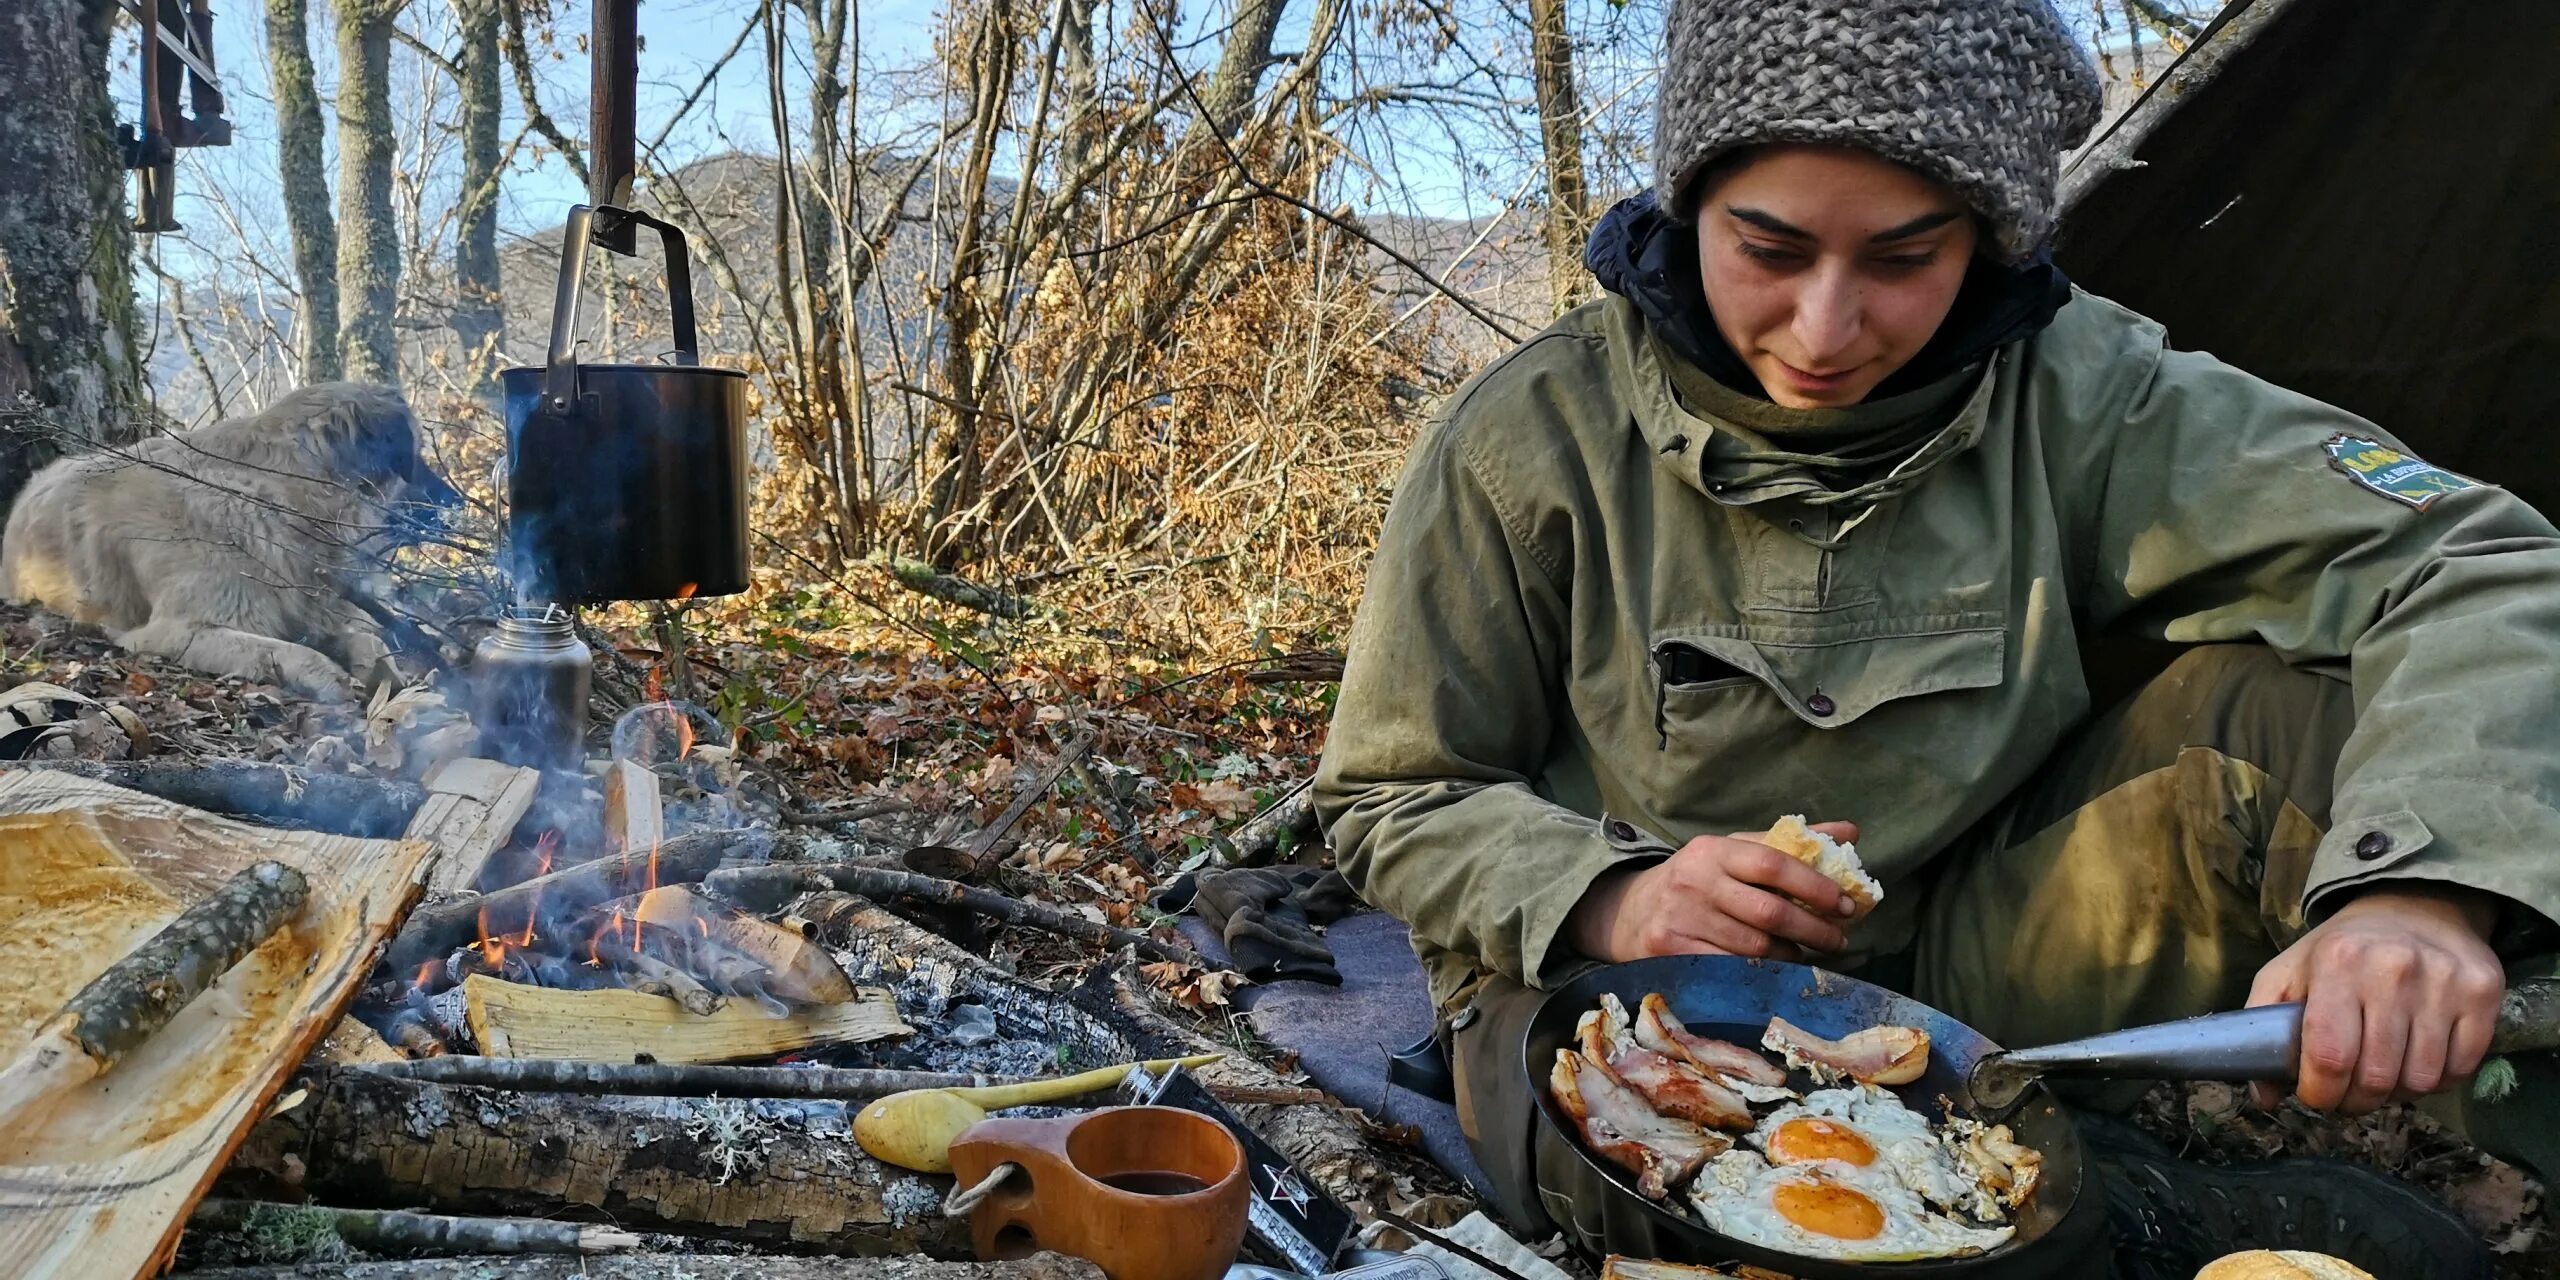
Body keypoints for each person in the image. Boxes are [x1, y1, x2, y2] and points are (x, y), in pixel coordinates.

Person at [1311, 0, 2559, 1272]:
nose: (1824, 328)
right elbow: (1391, 792)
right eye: (1768, 246)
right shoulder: (1531, 439)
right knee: (1692, 1196)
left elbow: (2478, 563)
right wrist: (1617, 894)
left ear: (1988, 240)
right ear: (1690, 207)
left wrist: (2422, 889)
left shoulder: (2084, 393)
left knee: (2312, 725)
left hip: (1969, 957)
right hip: (1600, 994)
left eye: (1905, 257)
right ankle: (2124, 1216)